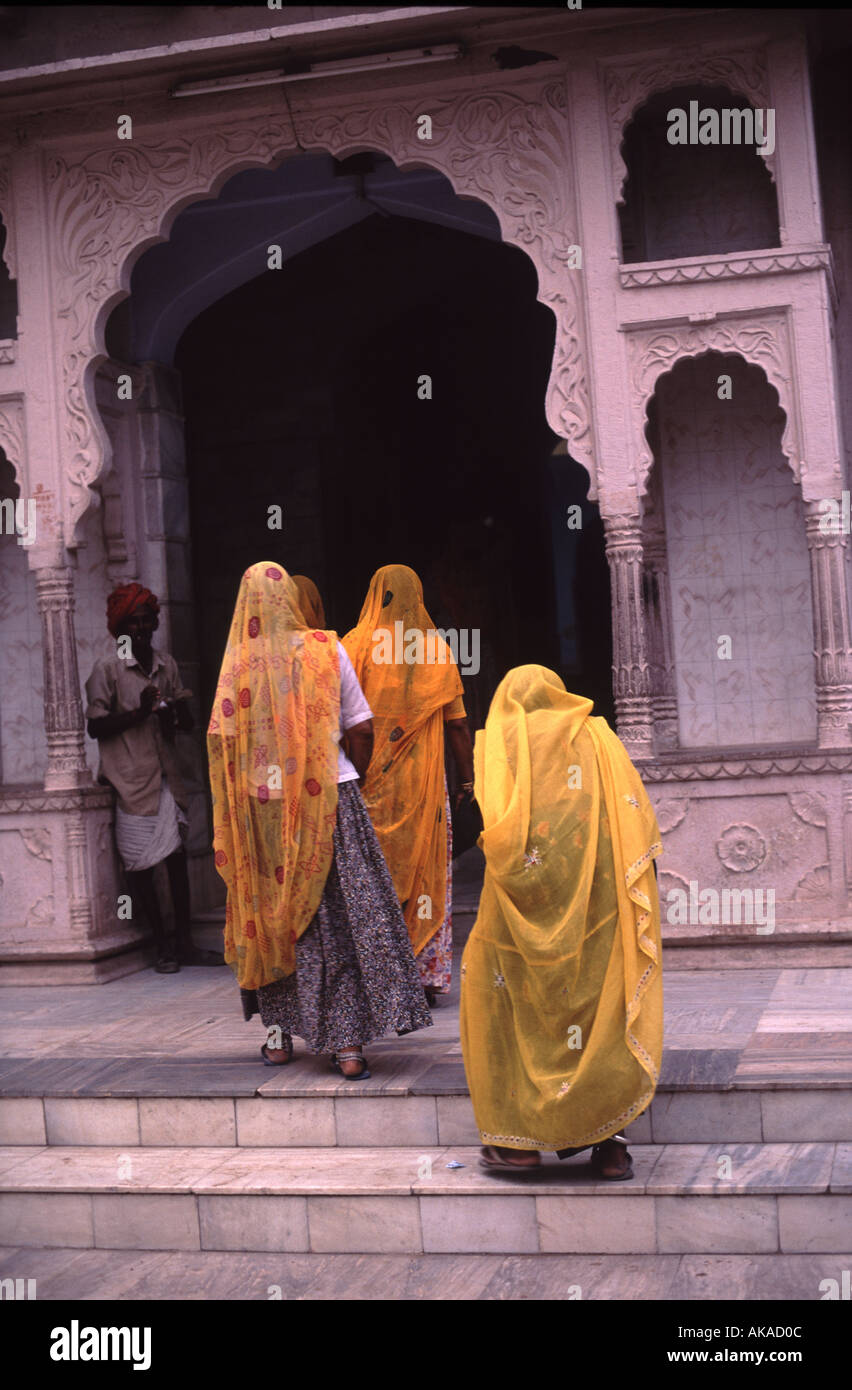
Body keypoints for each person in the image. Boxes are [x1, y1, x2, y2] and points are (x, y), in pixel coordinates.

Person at [207, 561, 431, 1079]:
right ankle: (348, 1047)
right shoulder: (326, 651)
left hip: (264, 812)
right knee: (342, 918)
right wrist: (347, 772)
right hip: (331, 800)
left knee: (273, 917)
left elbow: (222, 744)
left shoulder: (238, 665)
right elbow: (362, 726)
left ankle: (280, 1037)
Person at [460, 665, 662, 1181]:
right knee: (598, 1012)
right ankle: (610, 1147)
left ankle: (520, 1147)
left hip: (517, 903)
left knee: (515, 1007)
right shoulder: (594, 732)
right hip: (596, 899)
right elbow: (632, 813)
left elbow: (496, 826)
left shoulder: (499, 740)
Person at [342, 564, 474, 1004]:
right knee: (424, 875)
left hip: (368, 785)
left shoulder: (352, 646)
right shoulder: (435, 649)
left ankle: (377, 977)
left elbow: (338, 718)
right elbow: (457, 727)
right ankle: (422, 976)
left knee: (372, 878)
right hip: (424, 790)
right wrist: (468, 781)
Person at [85, 583, 224, 973]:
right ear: (121, 627)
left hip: (167, 777)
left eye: (148, 621)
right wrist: (140, 712)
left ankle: (185, 943)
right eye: (135, 622)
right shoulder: (107, 669)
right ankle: (161, 946)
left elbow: (187, 722)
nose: (143, 629)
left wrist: (169, 714)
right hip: (130, 782)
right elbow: (96, 727)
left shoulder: (167, 664)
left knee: (176, 860)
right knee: (142, 867)